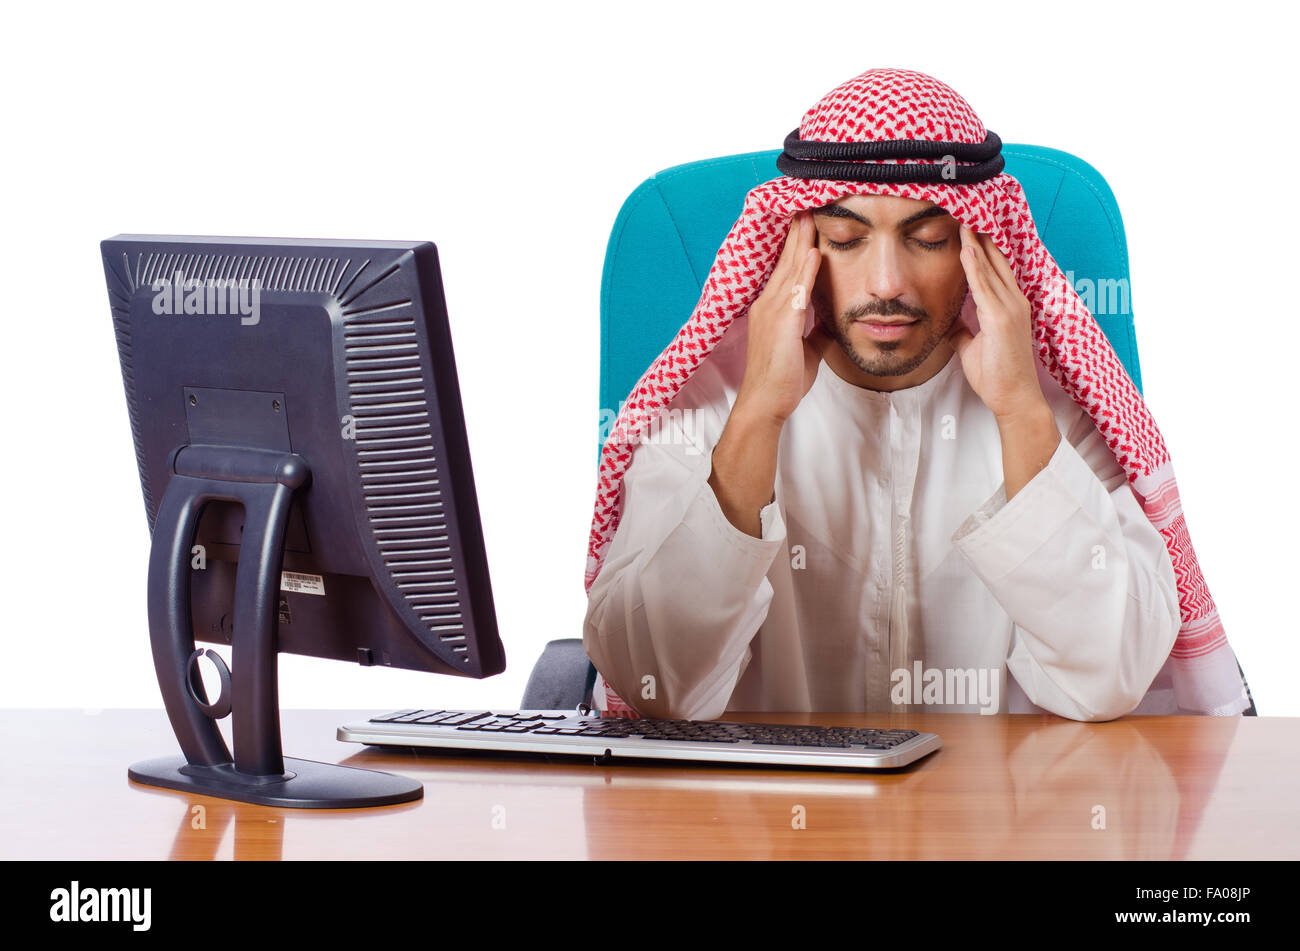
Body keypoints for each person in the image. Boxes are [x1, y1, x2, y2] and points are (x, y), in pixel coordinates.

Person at [581, 67, 1253, 722]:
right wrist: (758, 411)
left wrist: (1020, 412)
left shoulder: (1052, 410)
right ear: (799, 247)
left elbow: (1114, 676)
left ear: (980, 242)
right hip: (766, 832)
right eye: (846, 238)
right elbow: (651, 684)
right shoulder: (710, 410)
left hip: (1000, 828)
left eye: (927, 238)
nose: (886, 282)